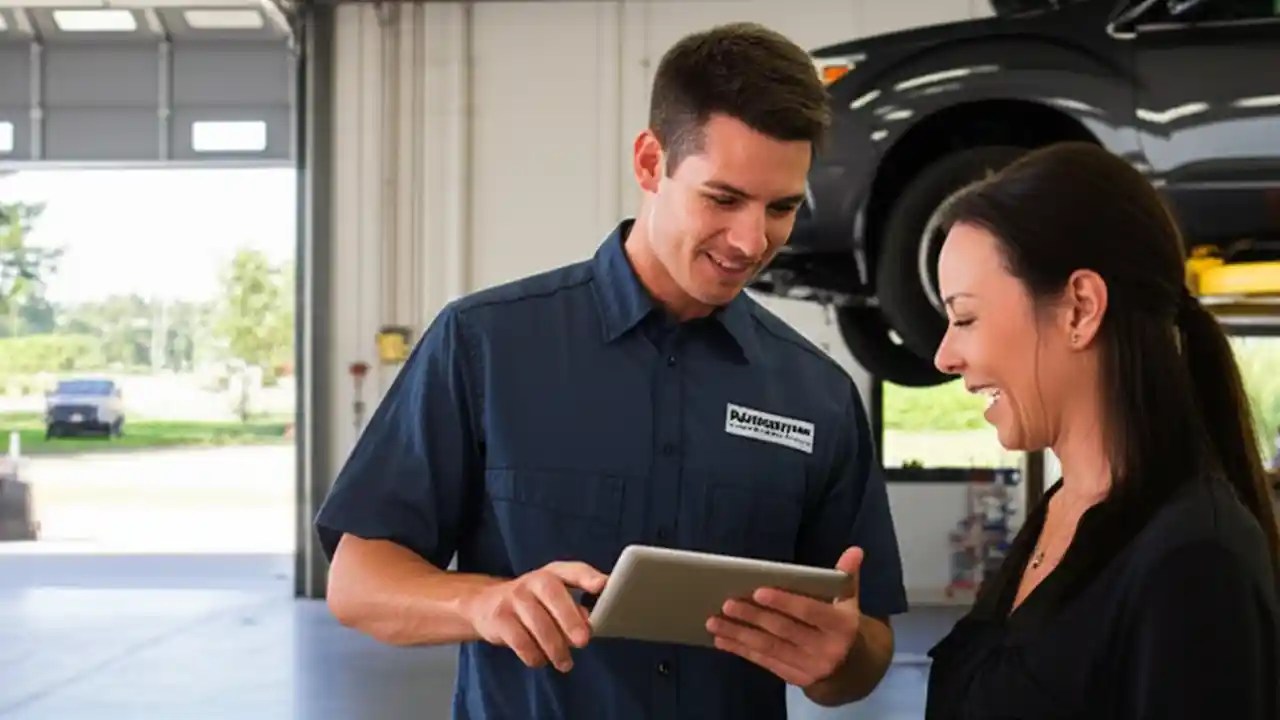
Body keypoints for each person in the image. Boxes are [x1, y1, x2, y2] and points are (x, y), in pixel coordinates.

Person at [314, 22, 908, 720]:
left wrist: (841, 662)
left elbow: (866, 649)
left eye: (780, 208)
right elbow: (357, 583)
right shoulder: (486, 345)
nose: (752, 242)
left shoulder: (819, 395)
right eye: (722, 199)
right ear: (652, 162)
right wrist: (485, 602)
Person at [925, 141, 1280, 719]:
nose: (944, 356)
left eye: (965, 317)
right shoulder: (1061, 510)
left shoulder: (1195, 560)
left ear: (1080, 309)